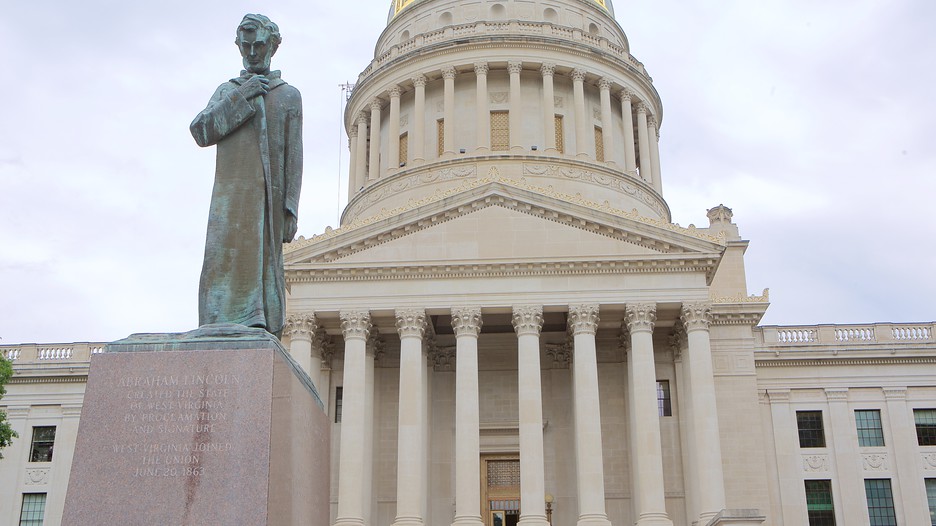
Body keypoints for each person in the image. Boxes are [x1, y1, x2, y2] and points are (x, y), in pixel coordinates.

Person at [190, 14, 302, 338]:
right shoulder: (229, 90)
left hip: (269, 199)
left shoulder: (288, 95)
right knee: (223, 267)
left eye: (259, 45)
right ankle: (218, 319)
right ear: (239, 47)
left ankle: (259, 321)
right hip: (232, 202)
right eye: (246, 46)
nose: (253, 53)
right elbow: (201, 130)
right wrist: (244, 95)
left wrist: (290, 207)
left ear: (272, 46)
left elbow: (295, 157)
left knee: (265, 272)